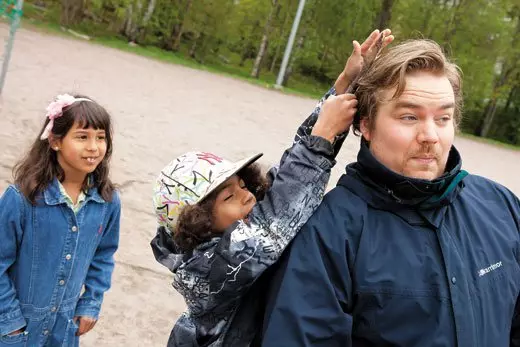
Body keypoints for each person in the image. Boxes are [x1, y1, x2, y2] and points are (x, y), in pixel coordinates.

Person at [260, 39, 520, 347]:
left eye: (443, 118)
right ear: (366, 126)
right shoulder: (330, 232)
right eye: (409, 117)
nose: (430, 136)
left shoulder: (500, 206)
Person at [150, 30, 394, 347]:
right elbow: (278, 217)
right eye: (229, 196)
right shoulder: (208, 269)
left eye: (241, 184)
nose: (247, 194)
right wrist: (321, 137)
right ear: (200, 224)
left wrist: (345, 82)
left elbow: (289, 171)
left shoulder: (239, 220)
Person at [0, 94, 121, 346]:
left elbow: (103, 255)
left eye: (101, 137)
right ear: (55, 141)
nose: (93, 147)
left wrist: (91, 302)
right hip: (16, 329)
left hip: (64, 331)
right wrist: (10, 324)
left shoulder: (107, 201)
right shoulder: (22, 199)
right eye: (82, 137)